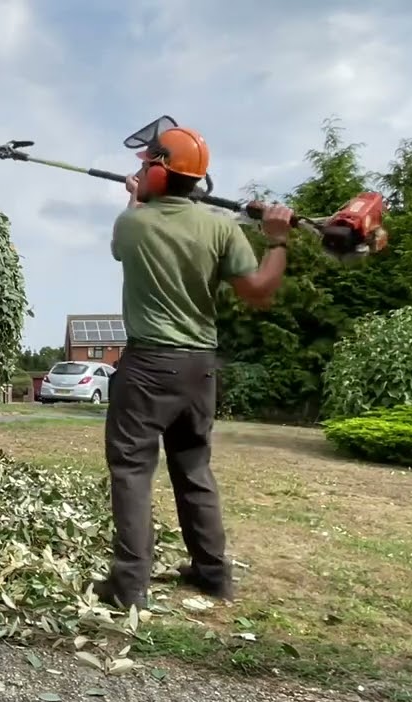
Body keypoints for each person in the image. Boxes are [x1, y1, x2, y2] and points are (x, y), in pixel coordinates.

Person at [92, 125, 293, 611]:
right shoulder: (221, 227)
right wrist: (278, 240)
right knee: (194, 467)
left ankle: (129, 585)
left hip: (146, 367)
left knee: (133, 471)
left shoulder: (132, 224)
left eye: (145, 165)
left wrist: (135, 197)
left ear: (160, 170)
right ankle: (212, 574)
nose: (139, 171)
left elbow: (128, 230)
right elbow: (259, 291)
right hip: (199, 368)